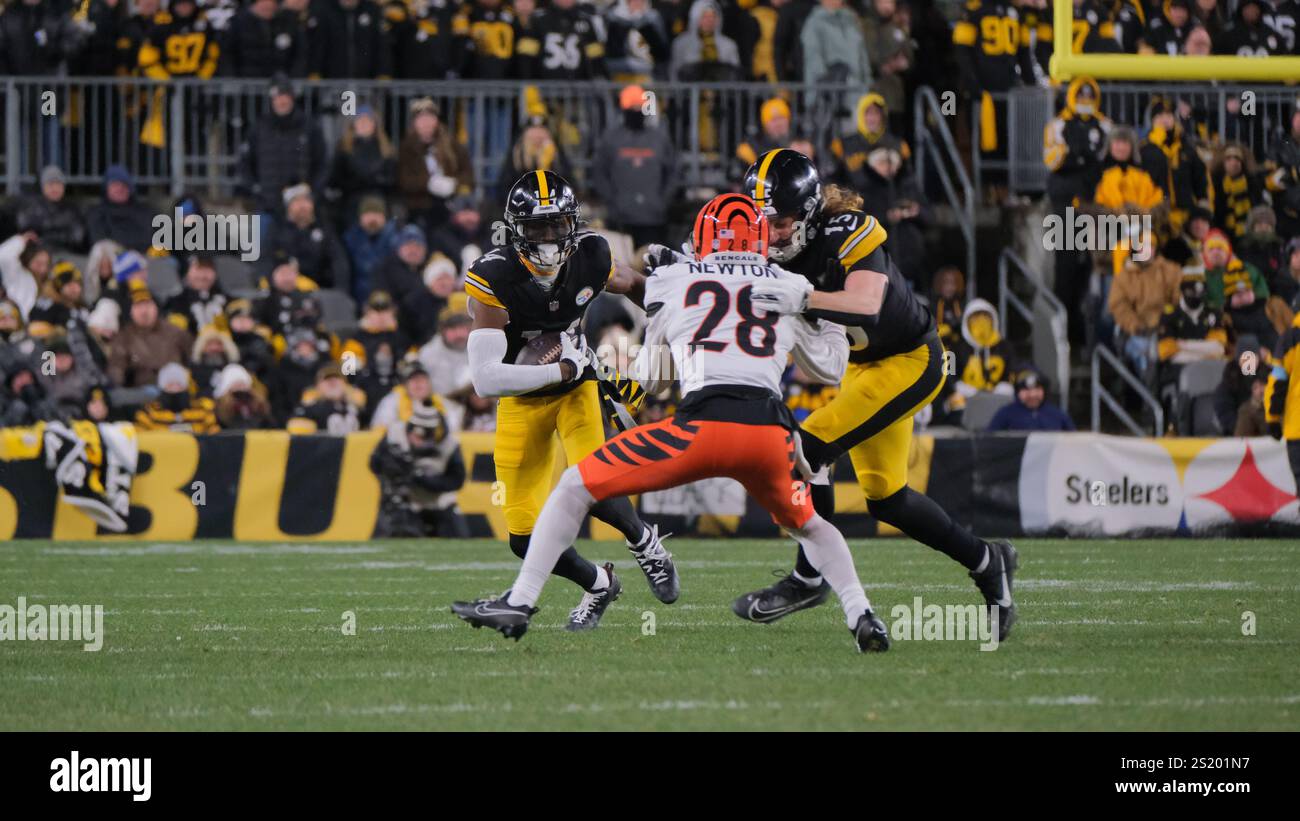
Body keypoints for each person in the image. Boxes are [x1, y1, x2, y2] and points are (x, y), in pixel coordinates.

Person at [453, 193, 890, 651]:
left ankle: (520, 602)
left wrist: (632, 385)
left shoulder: (678, 280)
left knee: (573, 487)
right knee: (811, 525)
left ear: (702, 238)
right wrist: (821, 310)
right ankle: (861, 612)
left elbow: (656, 381)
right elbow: (830, 369)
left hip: (699, 429)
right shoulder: (785, 282)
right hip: (767, 431)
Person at [734, 149, 1019, 639]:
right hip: (861, 370)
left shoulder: (848, 230)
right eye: (764, 222)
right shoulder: (762, 242)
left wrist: (804, 297)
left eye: (780, 222)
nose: (771, 234)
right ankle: (987, 559)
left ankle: (809, 577)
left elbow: (865, 303)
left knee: (808, 447)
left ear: (807, 211)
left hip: (912, 360)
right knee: (887, 499)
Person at [461, 170, 677, 630]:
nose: (545, 239)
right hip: (524, 396)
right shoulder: (494, 276)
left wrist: (673, 325)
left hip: (577, 390)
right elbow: (484, 380)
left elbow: (642, 290)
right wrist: (560, 367)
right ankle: (600, 583)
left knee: (592, 483)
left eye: (555, 226)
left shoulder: (592, 255)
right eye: (535, 228)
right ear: (515, 229)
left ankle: (646, 544)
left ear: (572, 226)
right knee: (522, 537)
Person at [590, 85, 678, 250]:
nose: (636, 111)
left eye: (639, 107)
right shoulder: (611, 139)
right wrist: (613, 201)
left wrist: (662, 201)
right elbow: (599, 173)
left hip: (653, 218)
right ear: (624, 110)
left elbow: (672, 173)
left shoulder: (659, 138)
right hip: (620, 218)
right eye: (632, 108)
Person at [370, 397, 470, 537]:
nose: (418, 440)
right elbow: (374, 464)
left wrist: (422, 479)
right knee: (392, 535)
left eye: (424, 436)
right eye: (415, 435)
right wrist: (390, 465)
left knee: (458, 540)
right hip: (405, 502)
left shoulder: (450, 445)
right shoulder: (395, 433)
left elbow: (457, 481)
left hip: (440, 502)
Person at [107, 283, 194, 389]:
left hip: (177, 387)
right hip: (144, 392)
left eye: (147, 305)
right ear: (131, 312)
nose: (144, 311)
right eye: (138, 306)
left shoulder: (175, 332)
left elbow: (193, 358)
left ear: (156, 307)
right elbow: (116, 369)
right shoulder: (123, 338)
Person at [135, 363, 221, 432]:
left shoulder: (201, 409)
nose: (175, 387)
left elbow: (214, 434)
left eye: (179, 383)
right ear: (162, 386)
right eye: (170, 383)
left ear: (186, 386)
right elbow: (140, 435)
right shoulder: (150, 411)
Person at [986, 370, 1076, 431]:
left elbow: (1073, 443)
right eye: (1026, 390)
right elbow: (990, 443)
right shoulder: (1005, 414)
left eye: (1037, 389)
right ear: (1017, 392)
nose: (1032, 395)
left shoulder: (1058, 415)